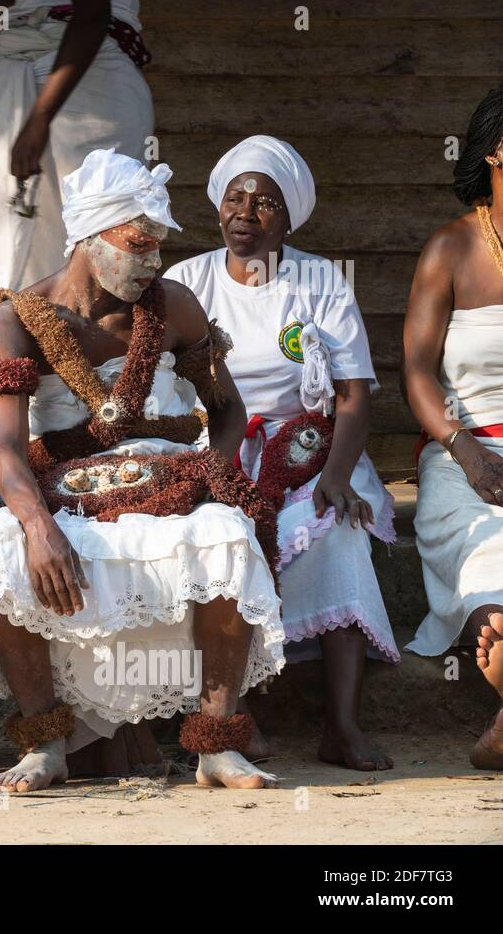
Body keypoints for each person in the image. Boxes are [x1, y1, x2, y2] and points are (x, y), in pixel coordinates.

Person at [0, 148, 286, 792]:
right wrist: (35, 524)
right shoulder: (15, 320)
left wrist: (207, 476)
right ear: (88, 237)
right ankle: (44, 744)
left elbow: (227, 411)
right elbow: (4, 448)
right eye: (138, 245)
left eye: (159, 247)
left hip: (169, 473)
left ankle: (217, 746)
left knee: (225, 532)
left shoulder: (174, 307)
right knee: (0, 545)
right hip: (68, 480)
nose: (152, 262)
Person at [164, 136, 396, 772]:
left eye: (264, 202)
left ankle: (341, 724)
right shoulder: (185, 282)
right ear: (217, 207)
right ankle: (238, 717)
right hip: (216, 451)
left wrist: (337, 475)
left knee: (338, 531)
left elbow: (352, 395)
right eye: (235, 198)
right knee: (224, 541)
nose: (246, 211)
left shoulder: (319, 282)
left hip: (308, 449)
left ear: (288, 217)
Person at [0, 0, 153, 319]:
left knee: (93, 244)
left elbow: (92, 11)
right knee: (12, 245)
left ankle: (89, 363)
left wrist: (40, 116)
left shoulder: (48, 108)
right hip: (22, 77)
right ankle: (17, 360)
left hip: (79, 89)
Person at [402, 87, 503, 770]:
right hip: (466, 455)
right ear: (497, 152)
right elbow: (415, 373)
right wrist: (465, 452)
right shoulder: (451, 248)